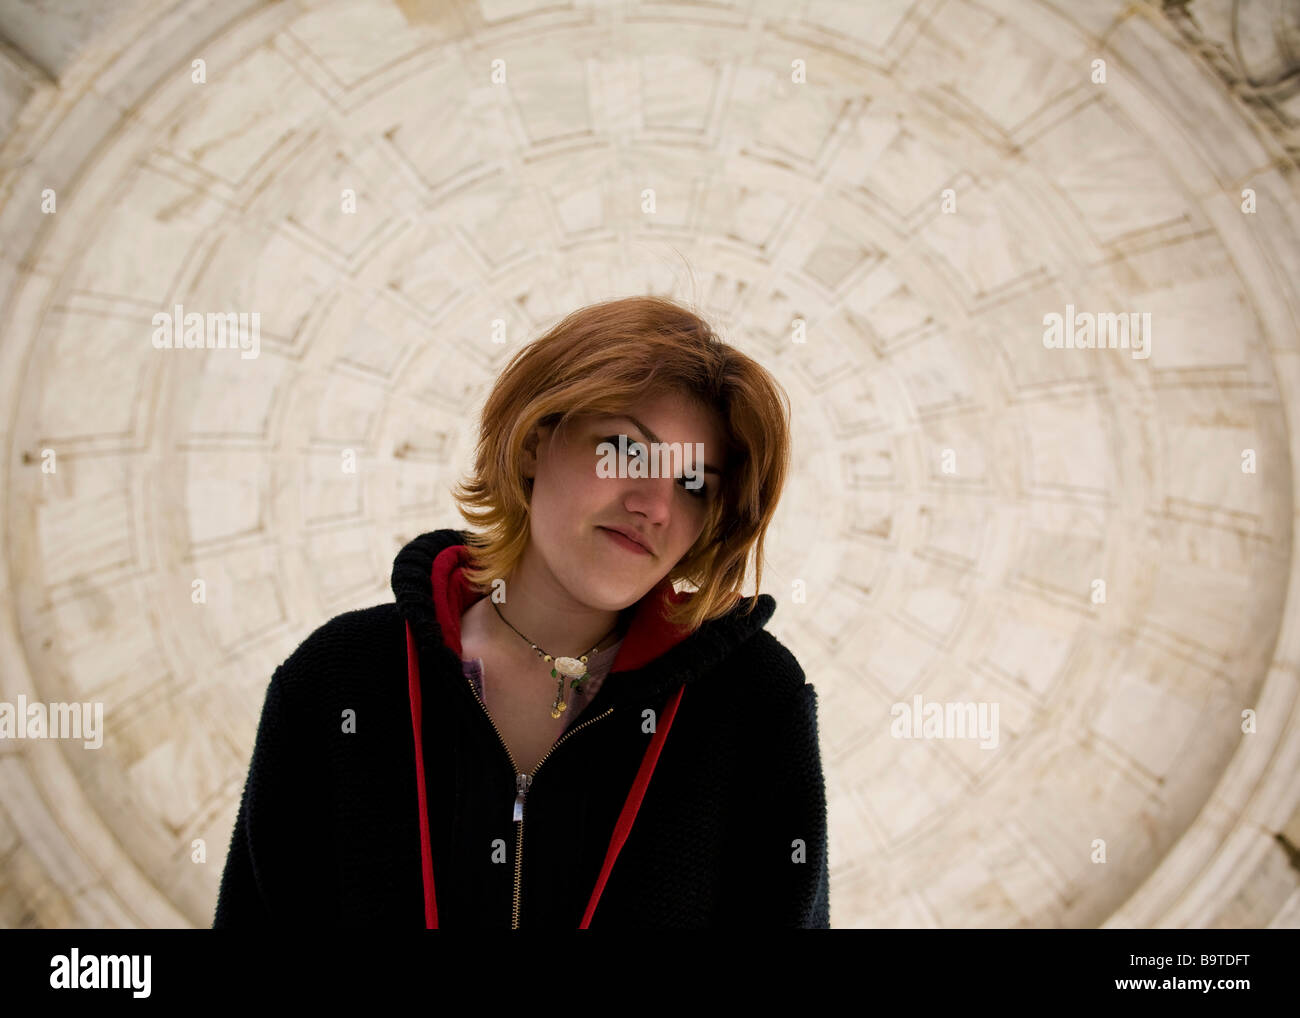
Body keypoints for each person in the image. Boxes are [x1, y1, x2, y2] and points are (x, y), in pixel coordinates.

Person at [212, 294, 829, 928]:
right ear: (536, 442)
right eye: (627, 451)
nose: (655, 505)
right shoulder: (340, 679)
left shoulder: (755, 703)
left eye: (694, 484)